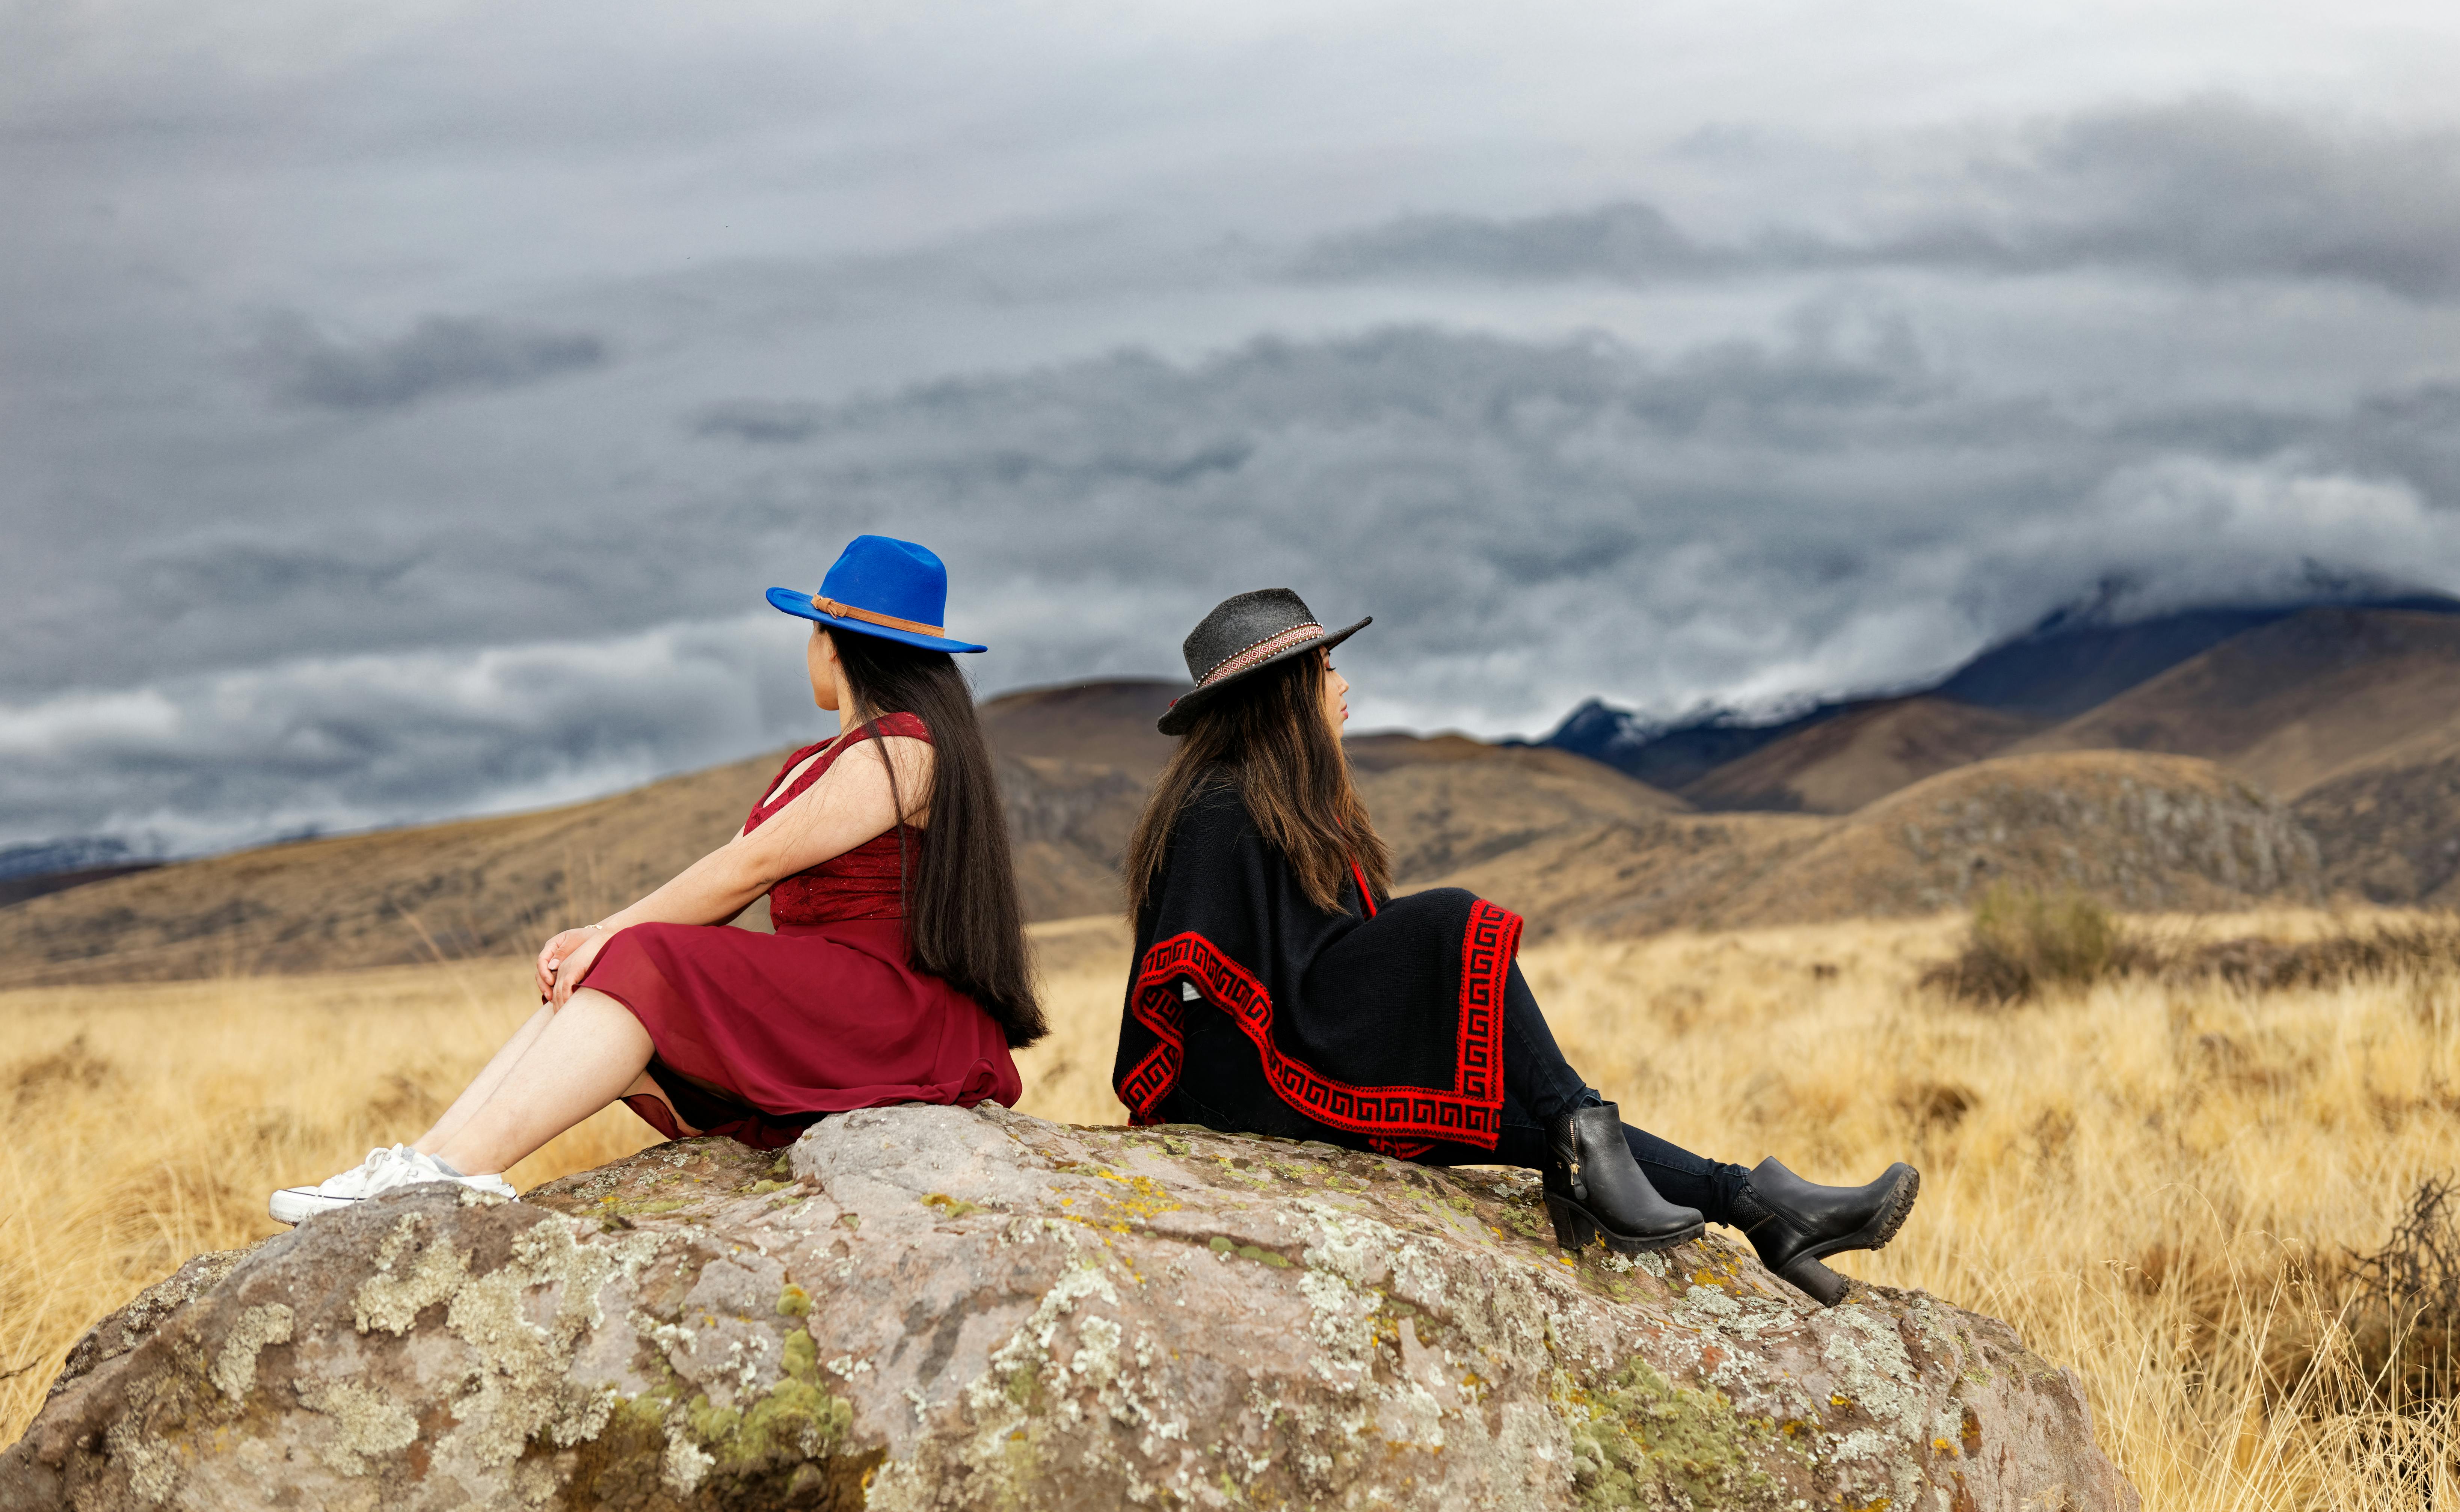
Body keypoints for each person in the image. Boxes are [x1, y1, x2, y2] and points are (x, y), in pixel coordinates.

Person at [1111, 588, 1917, 1305]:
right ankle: (1597, 1137)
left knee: (1534, 1126)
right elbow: (1197, 989)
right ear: (1283, 691)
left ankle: (1764, 1210)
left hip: (1310, 1061)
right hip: (1261, 1089)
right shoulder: (1217, 810)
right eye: (1326, 667)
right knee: (1448, 920)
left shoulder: (1296, 806)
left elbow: (1323, 957)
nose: (1344, 684)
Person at [270, 535, 1043, 1224]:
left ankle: (457, 1169)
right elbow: (733, 872)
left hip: (886, 1000)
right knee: (618, 963)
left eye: (810, 630)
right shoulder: (825, 757)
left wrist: (610, 931)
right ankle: (428, 1159)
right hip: (838, 994)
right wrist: (600, 941)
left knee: (644, 955)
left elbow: (751, 866)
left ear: (832, 644)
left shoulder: (905, 749)